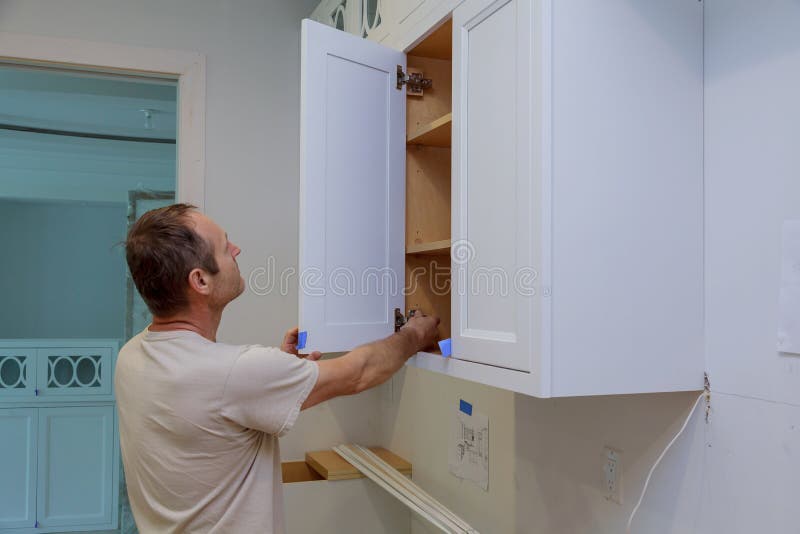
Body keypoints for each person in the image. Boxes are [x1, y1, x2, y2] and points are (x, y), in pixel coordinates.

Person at [115, 203, 439, 533]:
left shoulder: (131, 357)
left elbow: (216, 413)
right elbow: (360, 372)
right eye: (226, 247)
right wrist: (413, 334)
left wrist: (280, 373)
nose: (237, 249)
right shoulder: (234, 374)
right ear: (200, 280)